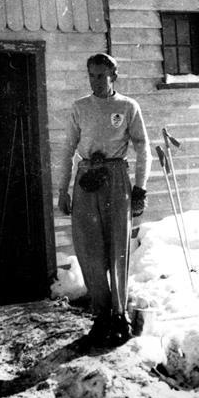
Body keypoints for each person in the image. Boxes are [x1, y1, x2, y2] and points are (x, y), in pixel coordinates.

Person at [57, 53, 151, 346]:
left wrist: (140, 188)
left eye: (101, 75)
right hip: (86, 179)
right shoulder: (80, 107)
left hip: (115, 177)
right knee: (88, 248)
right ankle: (101, 315)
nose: (96, 81)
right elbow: (68, 149)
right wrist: (63, 189)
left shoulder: (127, 107)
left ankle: (120, 313)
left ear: (114, 76)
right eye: (91, 75)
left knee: (118, 248)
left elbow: (143, 148)